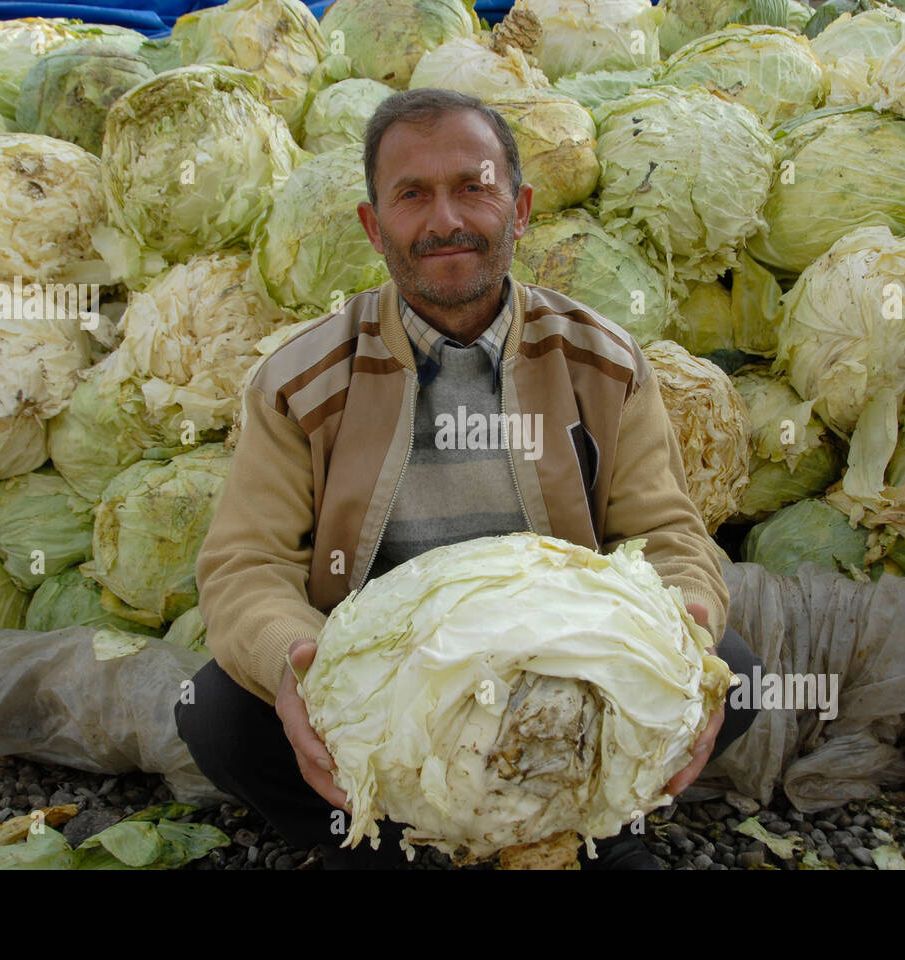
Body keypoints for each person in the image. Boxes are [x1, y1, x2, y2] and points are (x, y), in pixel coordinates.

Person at [175, 88, 762, 870]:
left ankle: (579, 816)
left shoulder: (604, 362)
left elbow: (666, 536)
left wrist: (687, 622)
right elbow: (246, 565)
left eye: (473, 187)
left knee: (737, 672)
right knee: (217, 711)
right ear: (373, 225)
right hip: (389, 694)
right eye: (412, 195)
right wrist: (297, 659)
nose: (446, 221)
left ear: (518, 211)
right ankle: (389, 834)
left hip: (566, 675)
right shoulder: (301, 381)